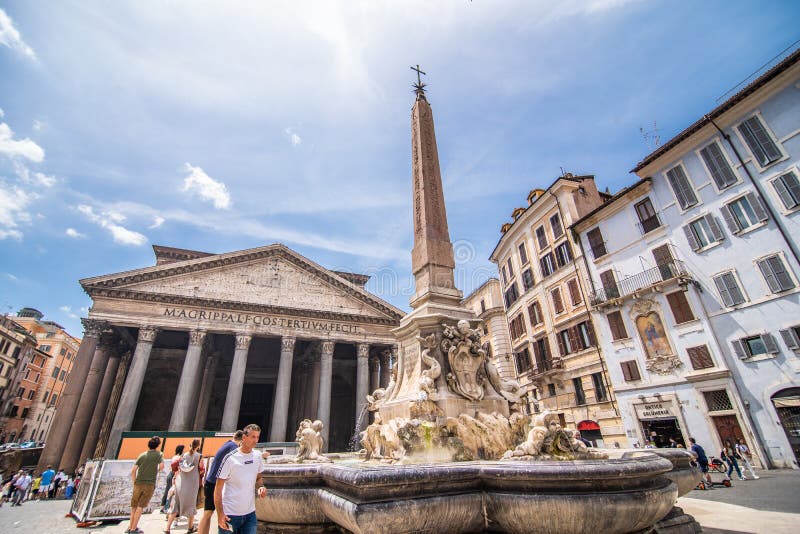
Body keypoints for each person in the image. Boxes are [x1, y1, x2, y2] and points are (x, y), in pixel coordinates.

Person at [215, 424, 267, 534]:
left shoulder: (257, 456)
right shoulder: (230, 458)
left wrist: (261, 486)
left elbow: (258, 478)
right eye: (253, 437)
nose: (256, 440)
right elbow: (218, 489)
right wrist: (220, 515)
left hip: (250, 514)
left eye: (257, 437)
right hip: (230, 514)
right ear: (244, 437)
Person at [198, 430, 244, 534]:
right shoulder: (233, 447)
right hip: (216, 484)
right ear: (242, 441)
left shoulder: (227, 444)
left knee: (207, 513)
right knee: (226, 514)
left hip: (210, 482)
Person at [127, 435, 163, 534]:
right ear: (157, 445)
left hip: (138, 483)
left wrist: (134, 481)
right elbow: (161, 467)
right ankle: (134, 530)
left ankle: (130, 527)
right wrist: (154, 470)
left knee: (134, 506)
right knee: (140, 506)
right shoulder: (159, 455)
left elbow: (133, 471)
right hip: (149, 484)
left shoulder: (141, 455)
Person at [166, 438, 203, 534]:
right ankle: (190, 528)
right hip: (192, 483)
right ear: (198, 446)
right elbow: (202, 469)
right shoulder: (199, 456)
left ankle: (167, 528)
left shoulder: (183, 455)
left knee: (175, 506)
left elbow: (179, 468)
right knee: (191, 506)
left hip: (181, 482)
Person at [162, 444, 185, 513]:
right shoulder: (178, 458)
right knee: (171, 492)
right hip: (173, 475)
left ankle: (163, 507)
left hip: (170, 474)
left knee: (168, 491)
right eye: (183, 450)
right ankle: (167, 508)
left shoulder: (174, 457)